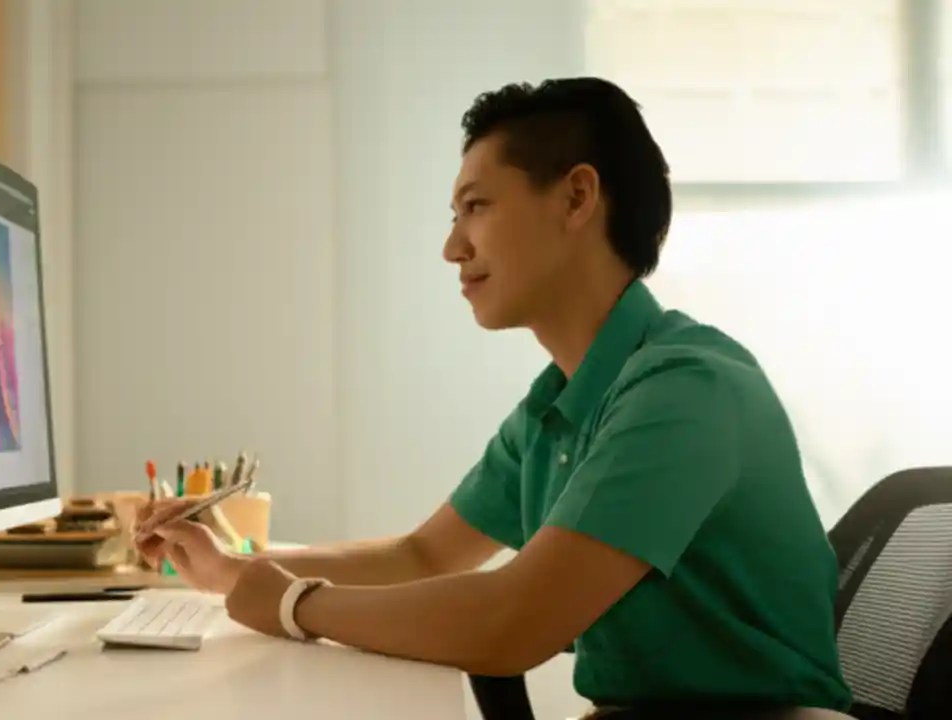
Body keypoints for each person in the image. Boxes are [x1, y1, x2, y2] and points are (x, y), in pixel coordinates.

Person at [135, 78, 853, 716]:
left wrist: (297, 605)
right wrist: (233, 570)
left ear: (576, 197)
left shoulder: (687, 391)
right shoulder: (557, 408)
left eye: (475, 207)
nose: (453, 248)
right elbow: (423, 555)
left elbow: (513, 622)